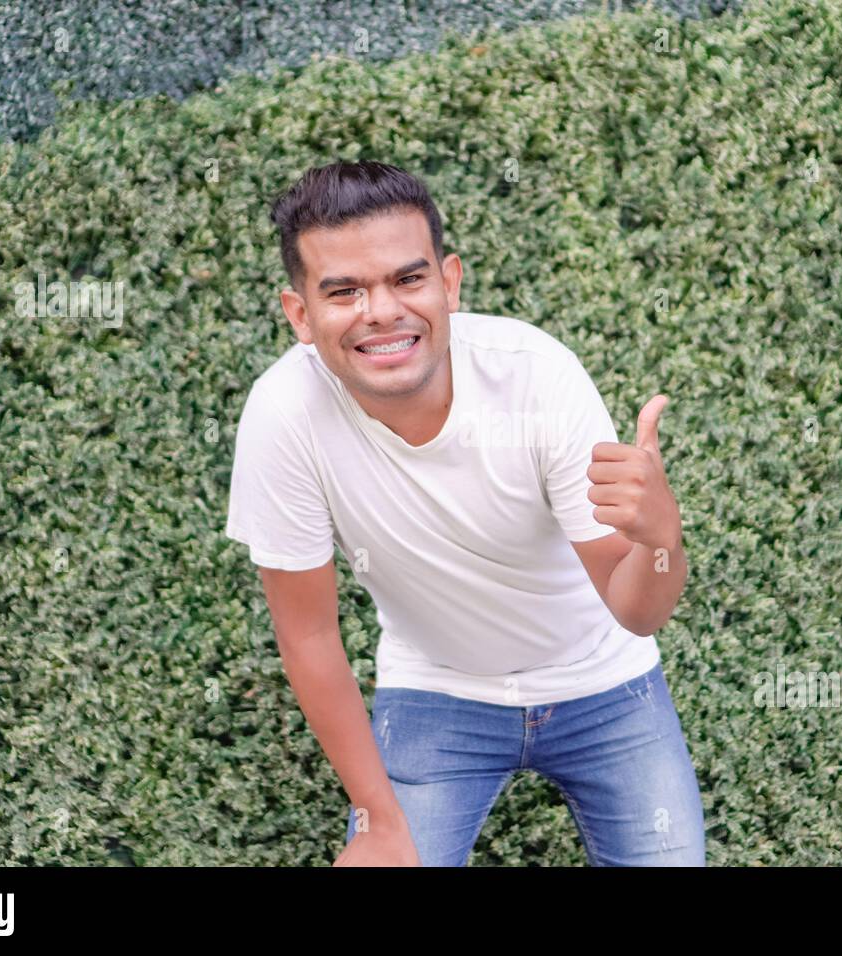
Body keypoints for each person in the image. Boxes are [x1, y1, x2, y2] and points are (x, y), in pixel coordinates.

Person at [225, 160, 705, 866]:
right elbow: (309, 637)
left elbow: (635, 611)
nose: (382, 310)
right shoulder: (282, 415)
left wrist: (662, 538)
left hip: (604, 680)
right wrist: (376, 816)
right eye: (344, 291)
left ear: (448, 283)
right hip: (436, 688)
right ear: (301, 314)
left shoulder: (535, 375)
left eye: (407, 279)